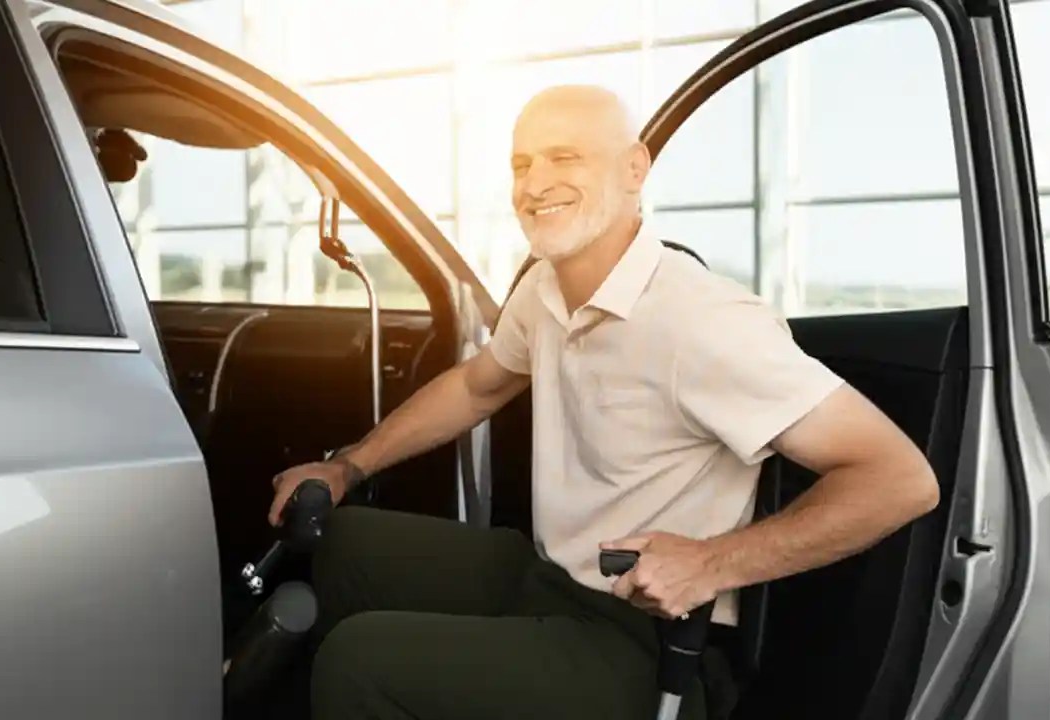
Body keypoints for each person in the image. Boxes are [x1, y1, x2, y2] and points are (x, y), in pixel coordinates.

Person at [269, 84, 940, 720]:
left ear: (633, 169)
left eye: (565, 158)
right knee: (343, 543)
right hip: (549, 577)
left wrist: (712, 563)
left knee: (357, 663)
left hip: (641, 638)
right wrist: (348, 465)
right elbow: (478, 385)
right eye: (522, 164)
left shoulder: (703, 320)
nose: (534, 184)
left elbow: (899, 479)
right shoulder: (545, 289)